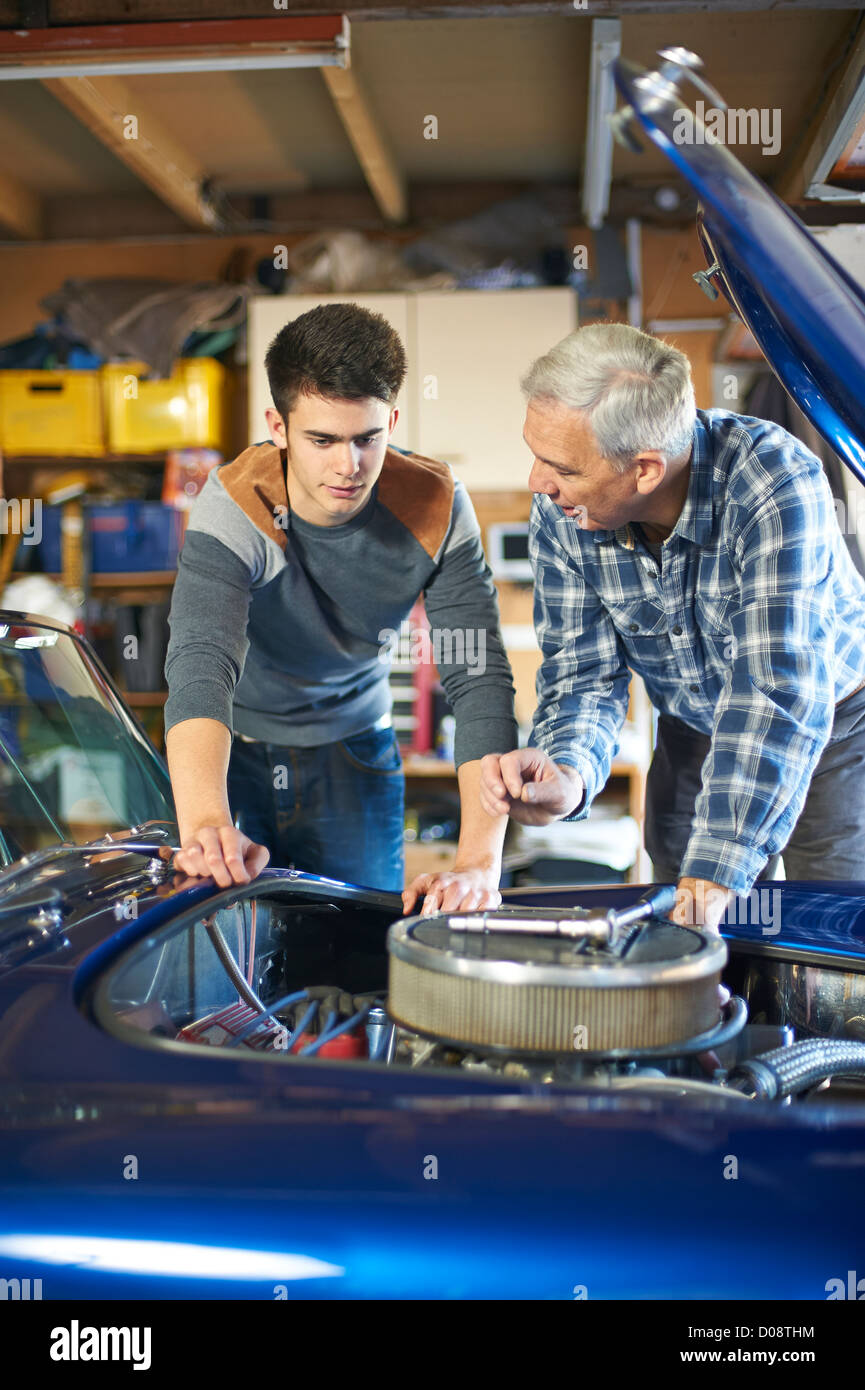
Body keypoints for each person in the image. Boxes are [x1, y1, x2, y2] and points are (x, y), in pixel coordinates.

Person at [479, 322, 865, 930]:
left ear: (645, 470)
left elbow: (773, 689)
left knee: (832, 929)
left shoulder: (772, 484)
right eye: (537, 455)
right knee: (685, 935)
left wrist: (718, 867)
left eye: (561, 468)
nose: (538, 482)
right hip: (692, 727)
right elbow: (583, 673)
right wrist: (569, 773)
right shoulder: (564, 510)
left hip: (835, 728)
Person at [164, 302, 515, 914]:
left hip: (355, 747)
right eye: (322, 439)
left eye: (367, 438)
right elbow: (200, 659)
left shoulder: (437, 506)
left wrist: (478, 863)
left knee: (358, 959)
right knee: (228, 965)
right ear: (278, 425)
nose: (348, 467)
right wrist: (205, 824)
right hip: (231, 753)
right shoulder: (237, 503)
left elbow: (476, 673)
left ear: (394, 420)